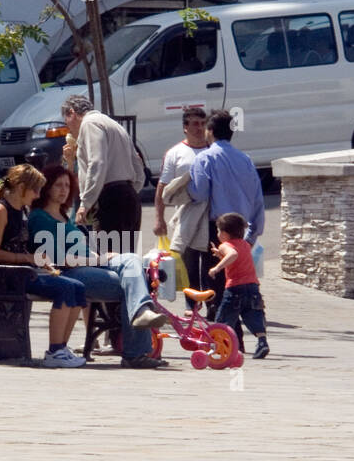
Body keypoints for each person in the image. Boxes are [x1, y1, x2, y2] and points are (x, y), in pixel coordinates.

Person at [30, 164, 168, 369]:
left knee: (131, 259)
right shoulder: (40, 217)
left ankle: (141, 313)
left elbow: (83, 250)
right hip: (71, 272)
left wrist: (102, 257)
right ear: (47, 187)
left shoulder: (64, 216)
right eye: (58, 185)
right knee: (130, 285)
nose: (64, 189)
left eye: (67, 185)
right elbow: (60, 259)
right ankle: (135, 352)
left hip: (94, 264)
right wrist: (100, 260)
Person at [0, 164, 88, 368]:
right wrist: (26, 259)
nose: (38, 195)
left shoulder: (21, 211)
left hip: (25, 271)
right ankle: (54, 350)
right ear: (22, 187)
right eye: (35, 189)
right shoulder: (0, 210)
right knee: (64, 288)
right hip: (6, 274)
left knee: (77, 287)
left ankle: (62, 348)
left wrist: (38, 260)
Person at [186, 109, 265, 311]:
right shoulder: (245, 160)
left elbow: (200, 194)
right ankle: (234, 326)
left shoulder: (204, 159)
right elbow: (258, 199)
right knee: (239, 278)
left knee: (216, 283)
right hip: (242, 229)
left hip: (218, 229)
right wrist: (252, 235)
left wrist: (185, 187)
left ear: (210, 131)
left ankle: (219, 328)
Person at [60, 94, 146, 254]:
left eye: (66, 120)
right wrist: (131, 191)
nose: (68, 127)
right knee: (127, 260)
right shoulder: (114, 125)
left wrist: (85, 203)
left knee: (109, 259)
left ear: (71, 112)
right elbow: (138, 164)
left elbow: (97, 162)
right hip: (129, 197)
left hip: (110, 199)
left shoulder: (89, 124)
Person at [153, 105, 210, 303]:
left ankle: (212, 306)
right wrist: (159, 219)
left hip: (212, 216)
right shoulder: (175, 153)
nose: (199, 128)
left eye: (203, 124)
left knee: (211, 266)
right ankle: (191, 306)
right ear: (185, 127)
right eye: (195, 124)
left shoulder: (213, 149)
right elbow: (163, 188)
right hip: (186, 217)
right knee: (190, 265)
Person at [207, 211, 269, 359]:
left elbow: (233, 254)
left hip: (235, 288)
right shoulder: (246, 244)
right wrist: (221, 255)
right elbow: (237, 256)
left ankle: (220, 347)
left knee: (224, 318)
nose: (217, 233)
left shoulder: (225, 245)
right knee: (253, 315)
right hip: (252, 286)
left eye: (218, 230)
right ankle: (262, 342)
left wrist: (217, 267)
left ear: (224, 233)